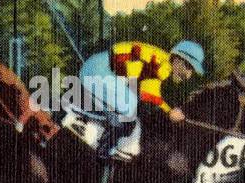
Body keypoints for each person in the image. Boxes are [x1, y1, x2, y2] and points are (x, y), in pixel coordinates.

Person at [76, 39, 205, 159]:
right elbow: (148, 95)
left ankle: (102, 131)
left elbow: (150, 92)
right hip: (96, 71)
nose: (188, 75)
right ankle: (101, 143)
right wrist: (170, 112)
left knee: (129, 111)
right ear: (179, 60)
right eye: (189, 68)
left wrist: (169, 111)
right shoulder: (161, 66)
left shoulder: (163, 64)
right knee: (129, 105)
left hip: (102, 72)